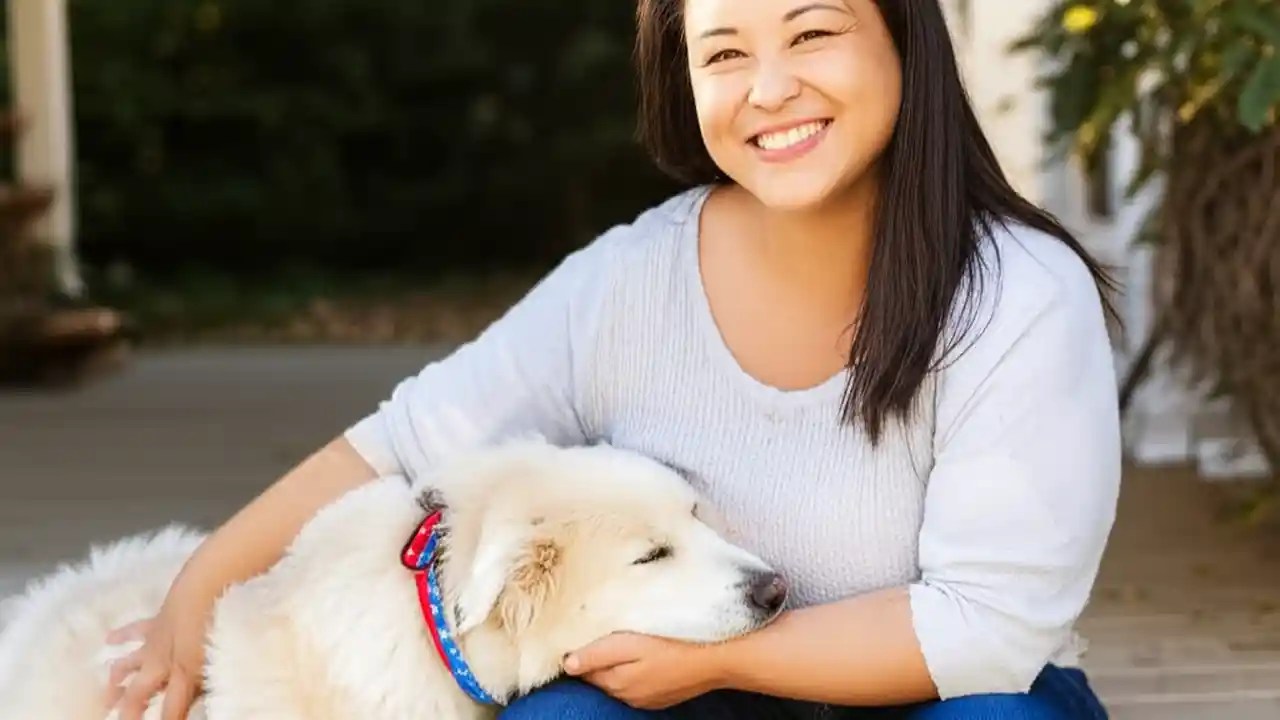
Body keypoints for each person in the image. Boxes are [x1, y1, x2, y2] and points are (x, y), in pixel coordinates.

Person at [104, 0, 1122, 718]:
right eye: (722, 52)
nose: (769, 87)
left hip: (946, 697)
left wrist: (727, 663)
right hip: (690, 699)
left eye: (812, 31)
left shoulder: (1017, 296)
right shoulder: (628, 281)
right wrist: (199, 591)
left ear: (905, 38)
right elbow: (399, 448)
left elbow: (986, 629)